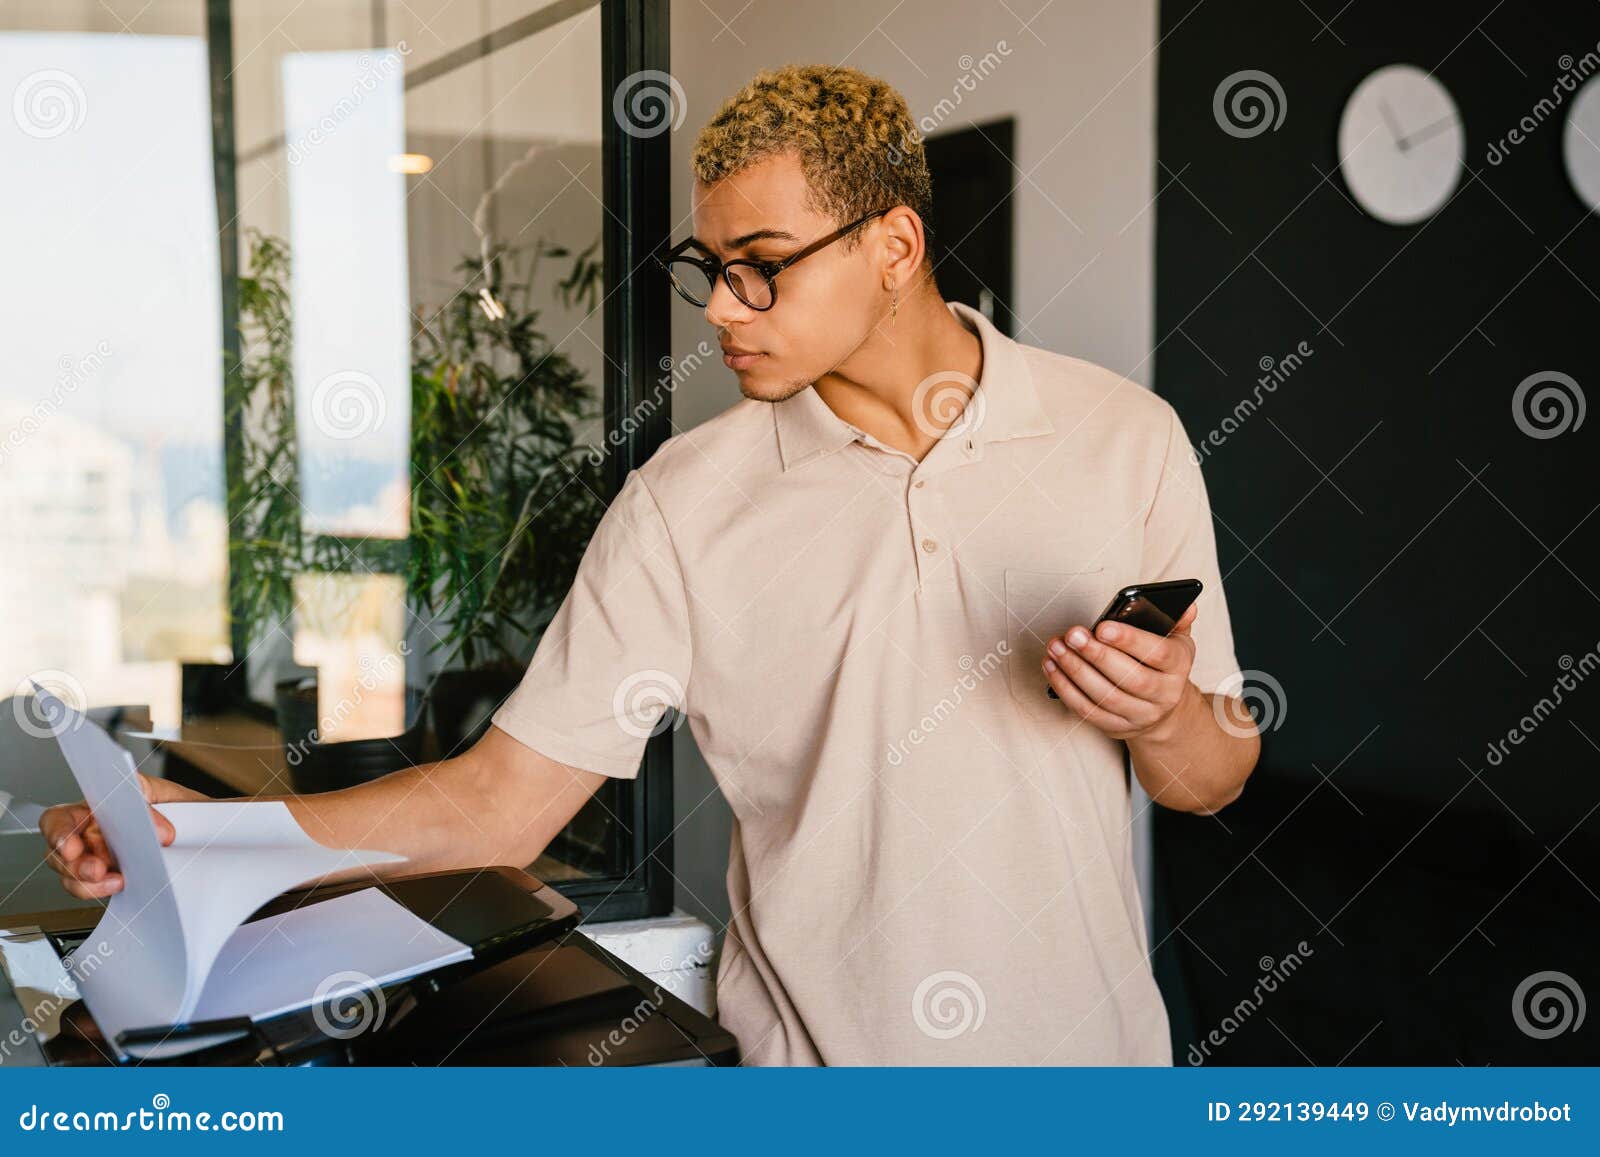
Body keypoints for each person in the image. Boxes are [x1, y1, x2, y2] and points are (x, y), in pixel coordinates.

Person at [41, 64, 1258, 1065]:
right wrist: (218, 835)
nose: (722, 309)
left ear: (894, 245)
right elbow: (502, 802)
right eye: (708, 267)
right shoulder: (685, 501)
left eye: (761, 265)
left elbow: (1210, 776)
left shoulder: (1122, 437)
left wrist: (1160, 715)